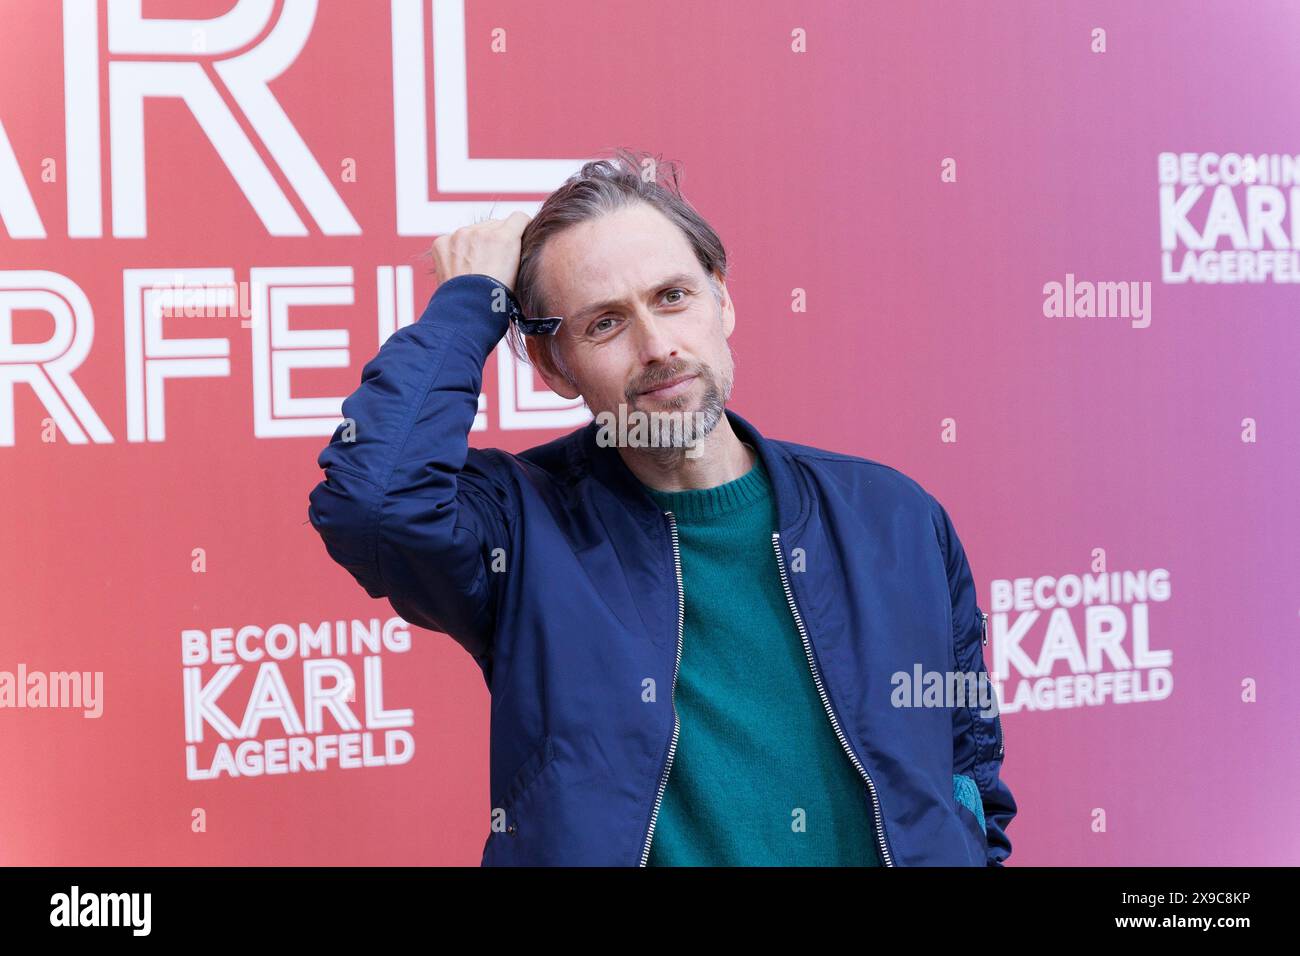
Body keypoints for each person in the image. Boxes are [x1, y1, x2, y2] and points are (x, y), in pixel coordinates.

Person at [307, 148, 1016, 866]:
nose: (657, 347)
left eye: (672, 297)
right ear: (554, 367)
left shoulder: (891, 516)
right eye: (605, 323)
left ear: (722, 300)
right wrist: (471, 301)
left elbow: (967, 766)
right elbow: (375, 502)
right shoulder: (522, 531)